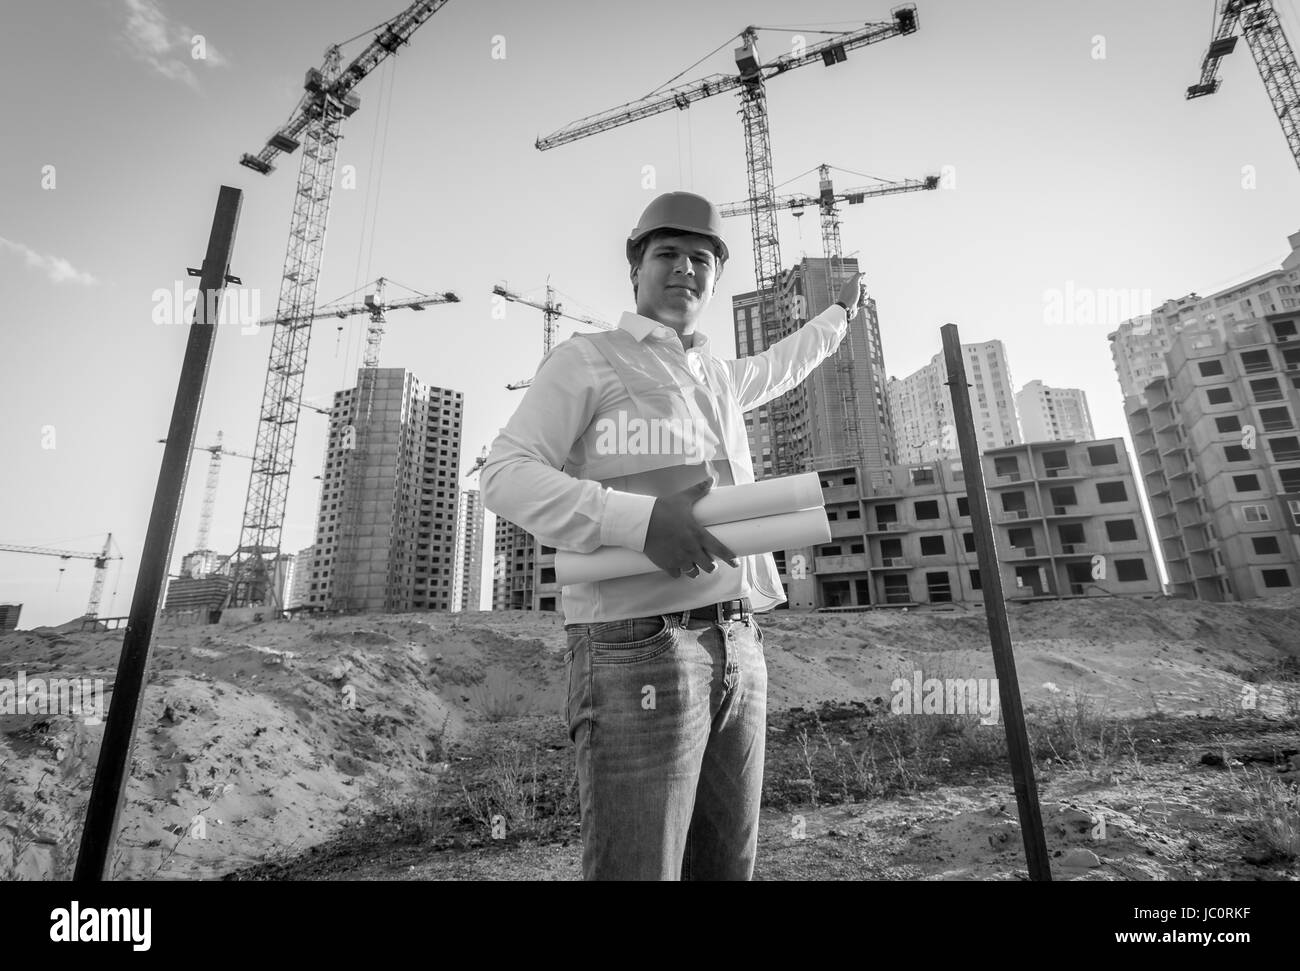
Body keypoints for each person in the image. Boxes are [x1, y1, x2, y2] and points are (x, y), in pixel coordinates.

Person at [480, 190, 863, 880]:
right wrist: (644, 521)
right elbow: (503, 476)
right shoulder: (587, 359)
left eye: (700, 257)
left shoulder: (716, 377)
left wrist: (838, 318)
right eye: (668, 253)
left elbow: (782, 363)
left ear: (716, 277)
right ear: (636, 266)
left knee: (726, 868)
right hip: (638, 648)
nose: (685, 268)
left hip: (740, 644)